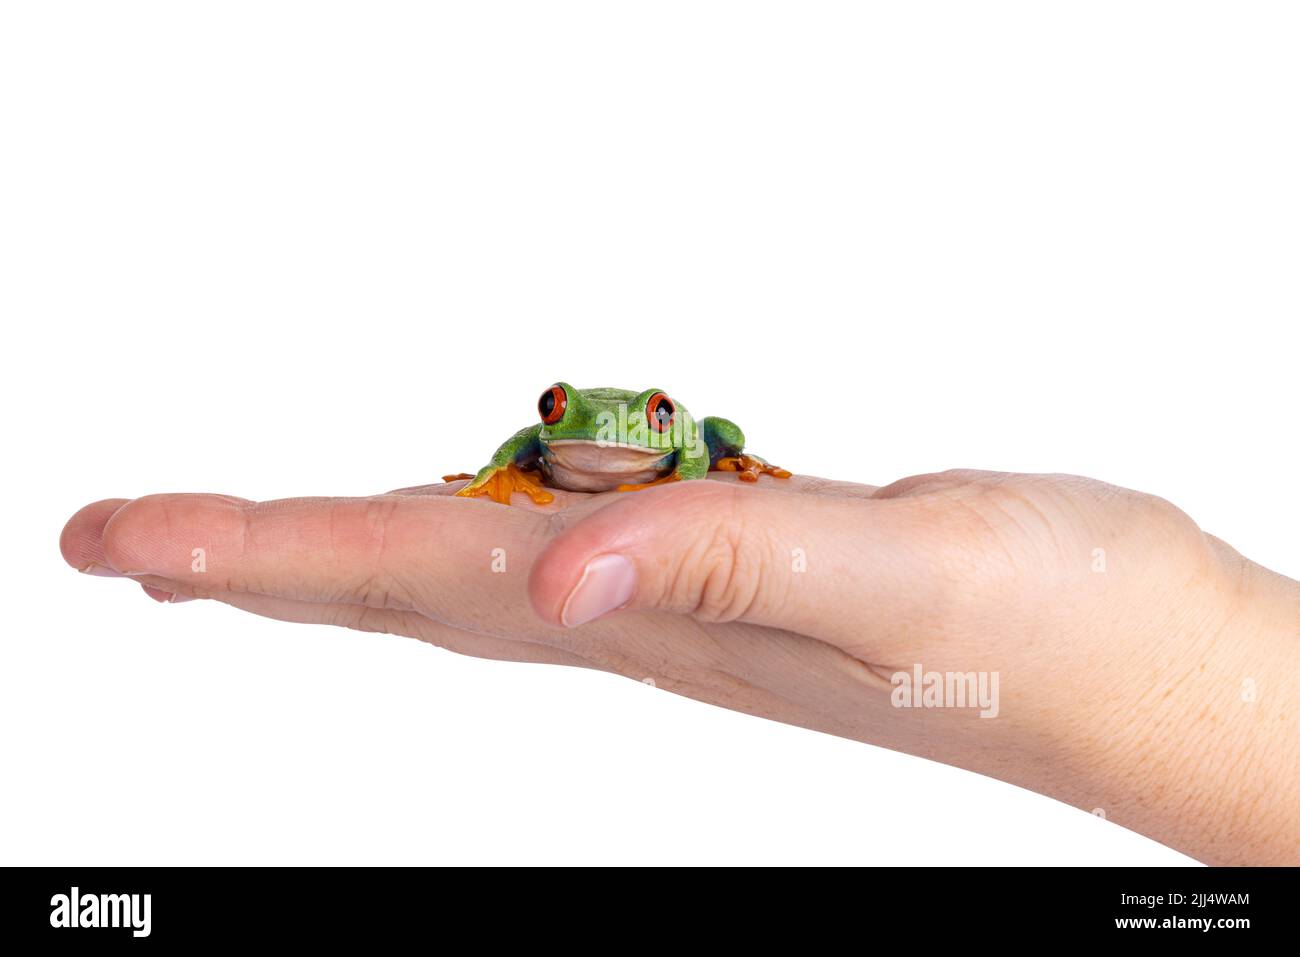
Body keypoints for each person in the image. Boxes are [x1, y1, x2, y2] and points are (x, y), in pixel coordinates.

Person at [60, 469, 1298, 865]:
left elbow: (708, 446)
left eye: (646, 421)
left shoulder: (687, 447)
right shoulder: (546, 445)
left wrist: (1179, 657)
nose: (609, 431)